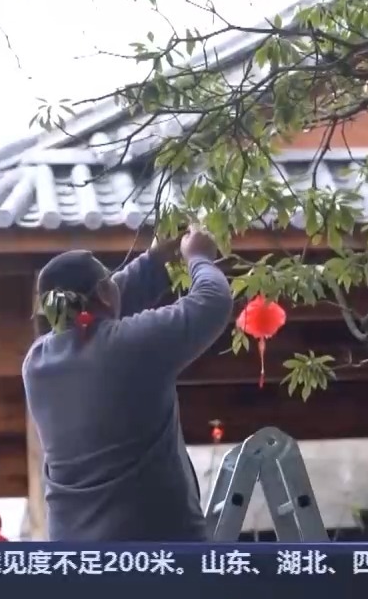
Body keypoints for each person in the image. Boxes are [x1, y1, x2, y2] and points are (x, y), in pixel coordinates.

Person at [23, 229, 233, 541]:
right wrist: (199, 257)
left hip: (76, 556)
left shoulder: (37, 361)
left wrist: (154, 262)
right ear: (106, 294)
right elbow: (212, 302)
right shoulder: (129, 346)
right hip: (155, 548)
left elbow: (98, 310)